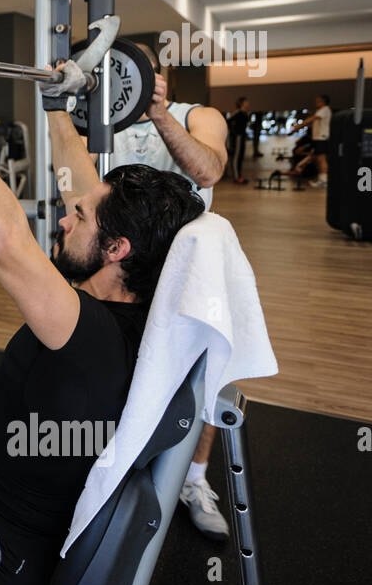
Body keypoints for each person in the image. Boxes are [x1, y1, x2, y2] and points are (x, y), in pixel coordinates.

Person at [0, 39, 205, 585]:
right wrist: (53, 105)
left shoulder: (90, 336)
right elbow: (82, 186)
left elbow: (5, 239)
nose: (66, 213)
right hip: (14, 497)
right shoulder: (132, 302)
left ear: (116, 249)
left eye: (83, 218)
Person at [43, 48, 233, 542]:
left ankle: (193, 479)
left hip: (185, 274)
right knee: (113, 375)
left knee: (199, 382)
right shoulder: (102, 123)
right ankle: (106, 473)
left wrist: (156, 111)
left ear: (159, 75)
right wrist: (58, 106)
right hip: (121, 272)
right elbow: (73, 185)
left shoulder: (199, 116)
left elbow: (208, 171)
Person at [286, 94, 332, 188]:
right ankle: (321, 178)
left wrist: (297, 127)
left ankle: (324, 180)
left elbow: (311, 120)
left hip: (321, 138)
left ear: (322, 101)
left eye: (318, 101)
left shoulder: (324, 110)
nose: (316, 103)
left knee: (321, 159)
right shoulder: (322, 111)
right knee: (316, 158)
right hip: (319, 138)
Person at [226, 97, 251, 184]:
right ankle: (236, 177)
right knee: (236, 157)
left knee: (240, 157)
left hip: (242, 137)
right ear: (241, 103)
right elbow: (228, 122)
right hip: (237, 137)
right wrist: (234, 133)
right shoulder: (237, 113)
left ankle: (239, 176)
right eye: (246, 102)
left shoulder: (245, 113)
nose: (248, 103)